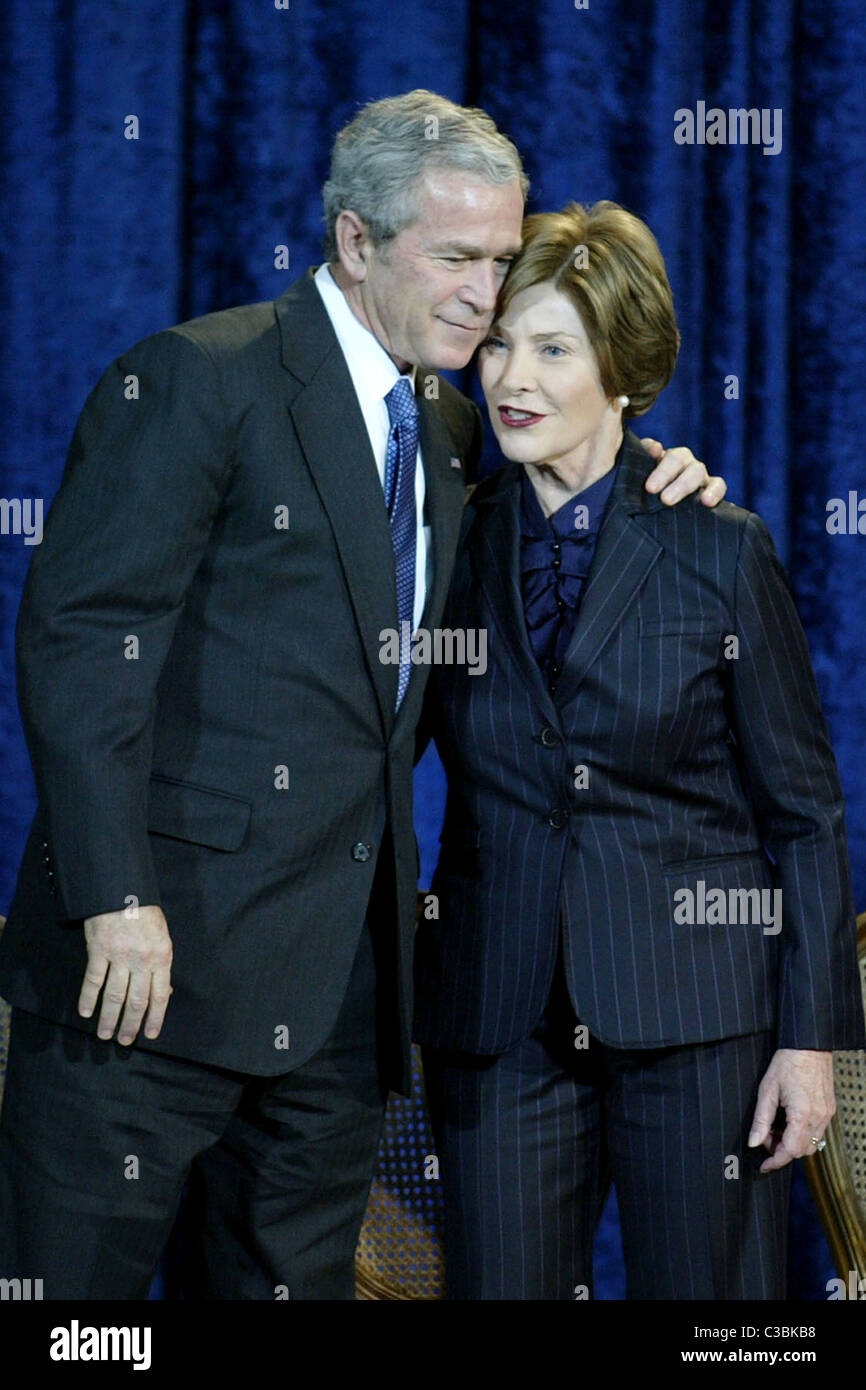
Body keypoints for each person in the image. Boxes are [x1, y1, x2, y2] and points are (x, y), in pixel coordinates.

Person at [0, 95, 721, 1301]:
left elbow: (549, 499)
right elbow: (82, 642)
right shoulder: (198, 379)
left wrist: (649, 473)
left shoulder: (443, 424)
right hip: (147, 977)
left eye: (499, 260)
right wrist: (116, 894)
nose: (484, 296)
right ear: (353, 242)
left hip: (336, 1006)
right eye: (456, 258)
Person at [414, 199, 866, 1301]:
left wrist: (813, 1049)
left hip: (696, 1024)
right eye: (503, 342)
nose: (510, 376)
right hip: (498, 1020)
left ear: (622, 373)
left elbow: (802, 815)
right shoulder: (445, 540)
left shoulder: (717, 548)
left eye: (553, 348)